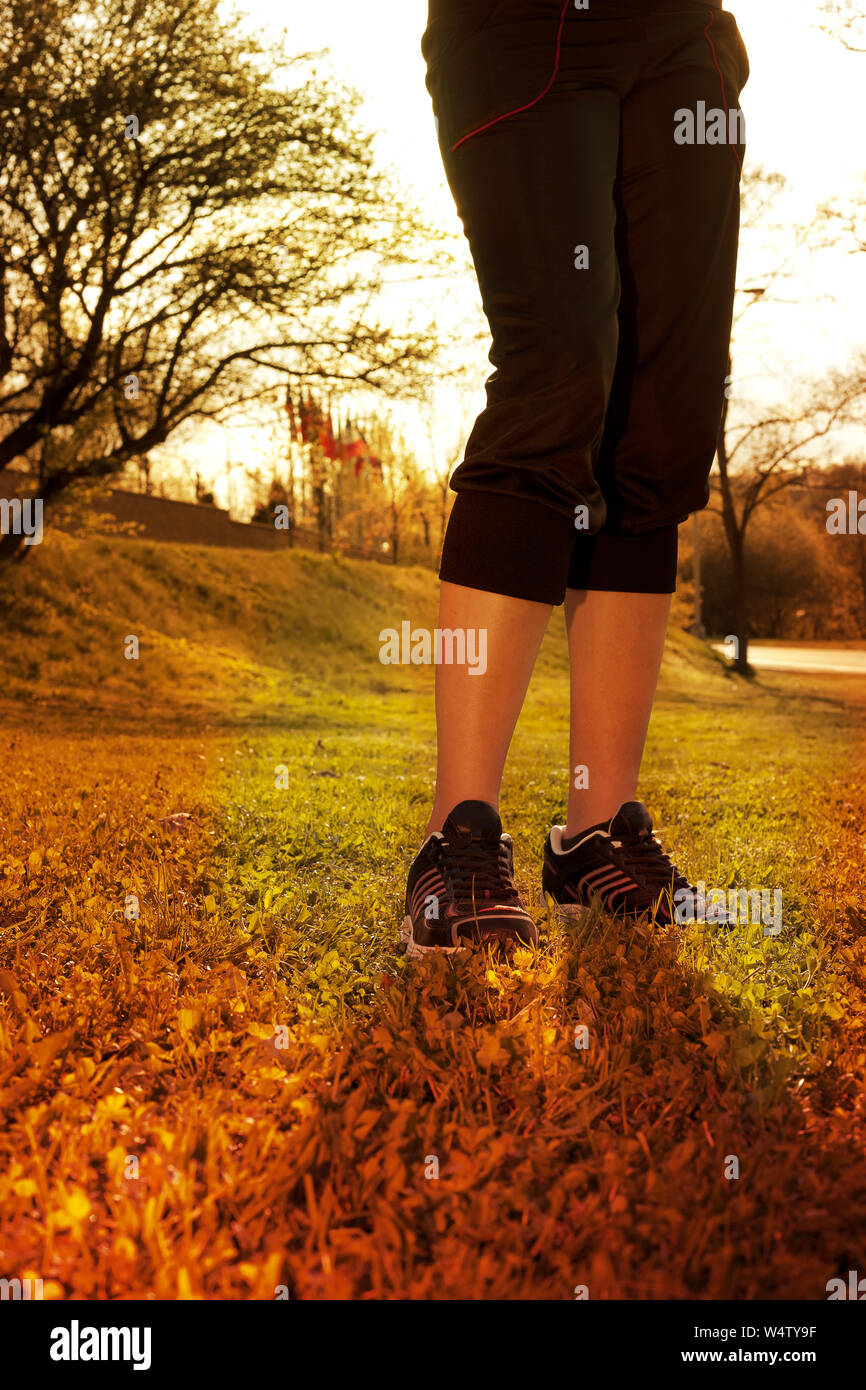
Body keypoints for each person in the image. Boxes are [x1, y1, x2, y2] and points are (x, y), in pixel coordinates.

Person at [403, 0, 749, 956]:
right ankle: (457, 837)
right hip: (517, 25)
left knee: (662, 411)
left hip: (680, 35)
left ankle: (597, 837)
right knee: (559, 371)